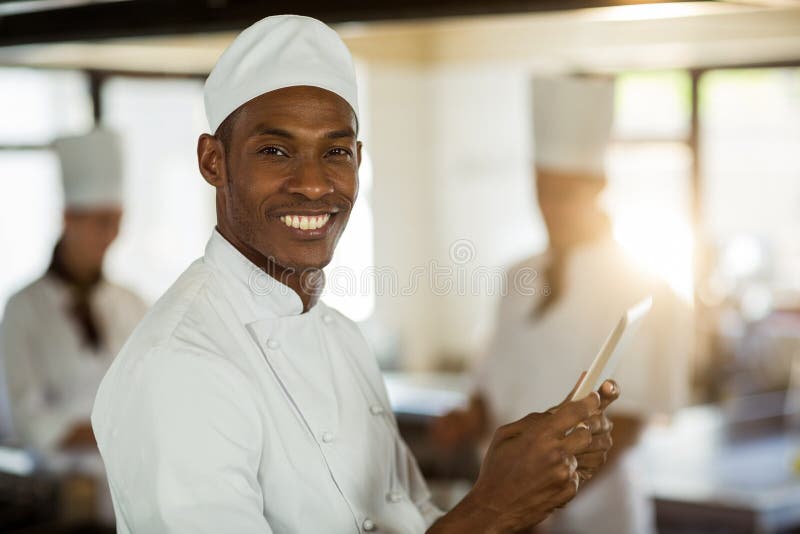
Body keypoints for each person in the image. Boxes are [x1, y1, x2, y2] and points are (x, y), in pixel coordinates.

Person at [91, 15, 620, 533]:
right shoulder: (180, 369)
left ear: (359, 161)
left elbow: (416, 522)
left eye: (335, 152)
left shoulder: (342, 339)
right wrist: (492, 510)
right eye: (275, 151)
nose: (315, 184)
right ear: (214, 161)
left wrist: (526, 489)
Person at [432, 76, 693, 534]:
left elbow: (630, 421)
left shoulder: (645, 285)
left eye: (565, 189)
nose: (550, 204)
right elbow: (490, 388)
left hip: (597, 518)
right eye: (541, 186)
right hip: (510, 512)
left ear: (598, 186)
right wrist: (467, 420)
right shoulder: (517, 276)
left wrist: (542, 498)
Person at [0, 127, 148, 522]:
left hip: (132, 487)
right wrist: (114, 434)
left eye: (116, 220)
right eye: (100, 220)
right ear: (68, 218)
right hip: (60, 502)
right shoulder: (23, 308)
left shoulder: (132, 303)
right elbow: (32, 421)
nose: (110, 233)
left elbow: (153, 395)